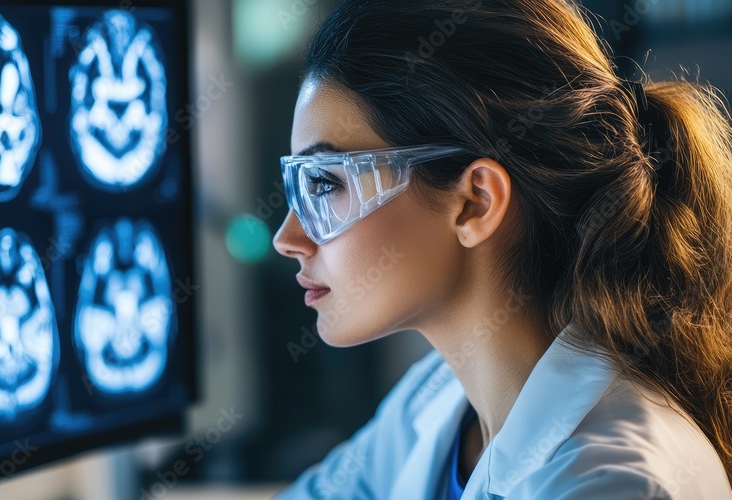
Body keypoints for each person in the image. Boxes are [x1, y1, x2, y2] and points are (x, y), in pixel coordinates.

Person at [272, 0, 732, 498]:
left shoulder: (613, 481)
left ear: (475, 202)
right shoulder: (434, 406)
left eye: (324, 185)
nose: (288, 239)